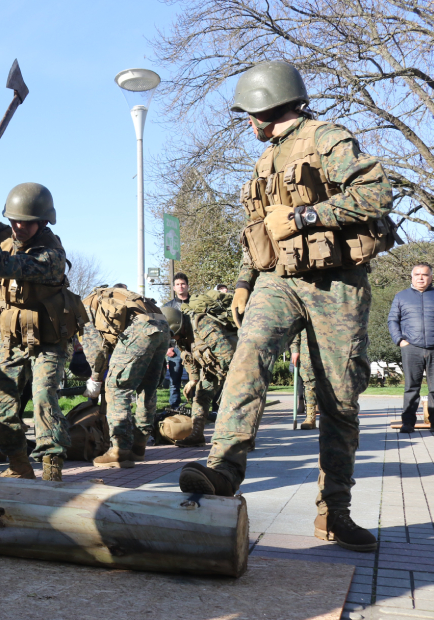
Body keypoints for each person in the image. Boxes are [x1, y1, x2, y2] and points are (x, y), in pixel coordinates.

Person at [179, 61, 393, 553]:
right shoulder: (264, 162)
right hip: (278, 280)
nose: (247, 122)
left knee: (338, 399)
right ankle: (223, 470)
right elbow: (259, 231)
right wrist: (242, 283)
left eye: (247, 113)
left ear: (264, 106)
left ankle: (334, 512)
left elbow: (377, 193)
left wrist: (305, 215)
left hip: (334, 283)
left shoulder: (326, 138)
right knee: (247, 356)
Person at [0, 151, 88, 481]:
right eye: (14, 220)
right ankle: (19, 464)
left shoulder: (50, 254)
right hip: (10, 339)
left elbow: (0, 265)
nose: (18, 227)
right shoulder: (5, 232)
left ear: (44, 221)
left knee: (43, 398)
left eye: (26, 222)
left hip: (49, 341)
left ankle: (52, 471)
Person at [81, 286, 170, 468]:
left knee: (116, 387)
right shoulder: (114, 296)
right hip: (162, 325)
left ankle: (119, 450)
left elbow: (96, 351)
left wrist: (96, 378)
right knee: (148, 387)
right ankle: (139, 446)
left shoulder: (86, 307)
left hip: (141, 328)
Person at [176, 293, 238, 447]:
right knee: (200, 395)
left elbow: (227, 355)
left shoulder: (202, 323)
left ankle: (242, 439)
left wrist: (230, 383)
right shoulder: (182, 336)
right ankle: (197, 434)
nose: (175, 339)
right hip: (213, 367)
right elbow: (188, 358)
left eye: (175, 336)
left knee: (235, 400)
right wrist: (193, 380)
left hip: (234, 364)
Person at [388, 262, 434, 433]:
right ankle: (408, 423)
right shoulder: (401, 296)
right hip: (411, 348)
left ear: (431, 277)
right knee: (411, 387)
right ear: (412, 277)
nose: (421, 278)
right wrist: (400, 340)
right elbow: (393, 320)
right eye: (417, 274)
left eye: (425, 274)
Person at [163, 273, 191, 408]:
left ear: (187, 286)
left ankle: (197, 407)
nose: (181, 287)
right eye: (178, 284)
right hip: (174, 349)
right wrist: (168, 347)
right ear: (174, 287)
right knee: (175, 380)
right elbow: (164, 329)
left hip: (192, 347)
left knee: (195, 379)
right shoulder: (168, 307)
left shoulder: (195, 303)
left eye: (183, 284)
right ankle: (174, 407)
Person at [290, 329, 319, 430]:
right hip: (307, 351)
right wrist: (294, 349)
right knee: (309, 383)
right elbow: (296, 326)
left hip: (330, 350)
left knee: (331, 385)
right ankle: (310, 418)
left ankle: (329, 419)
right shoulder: (305, 312)